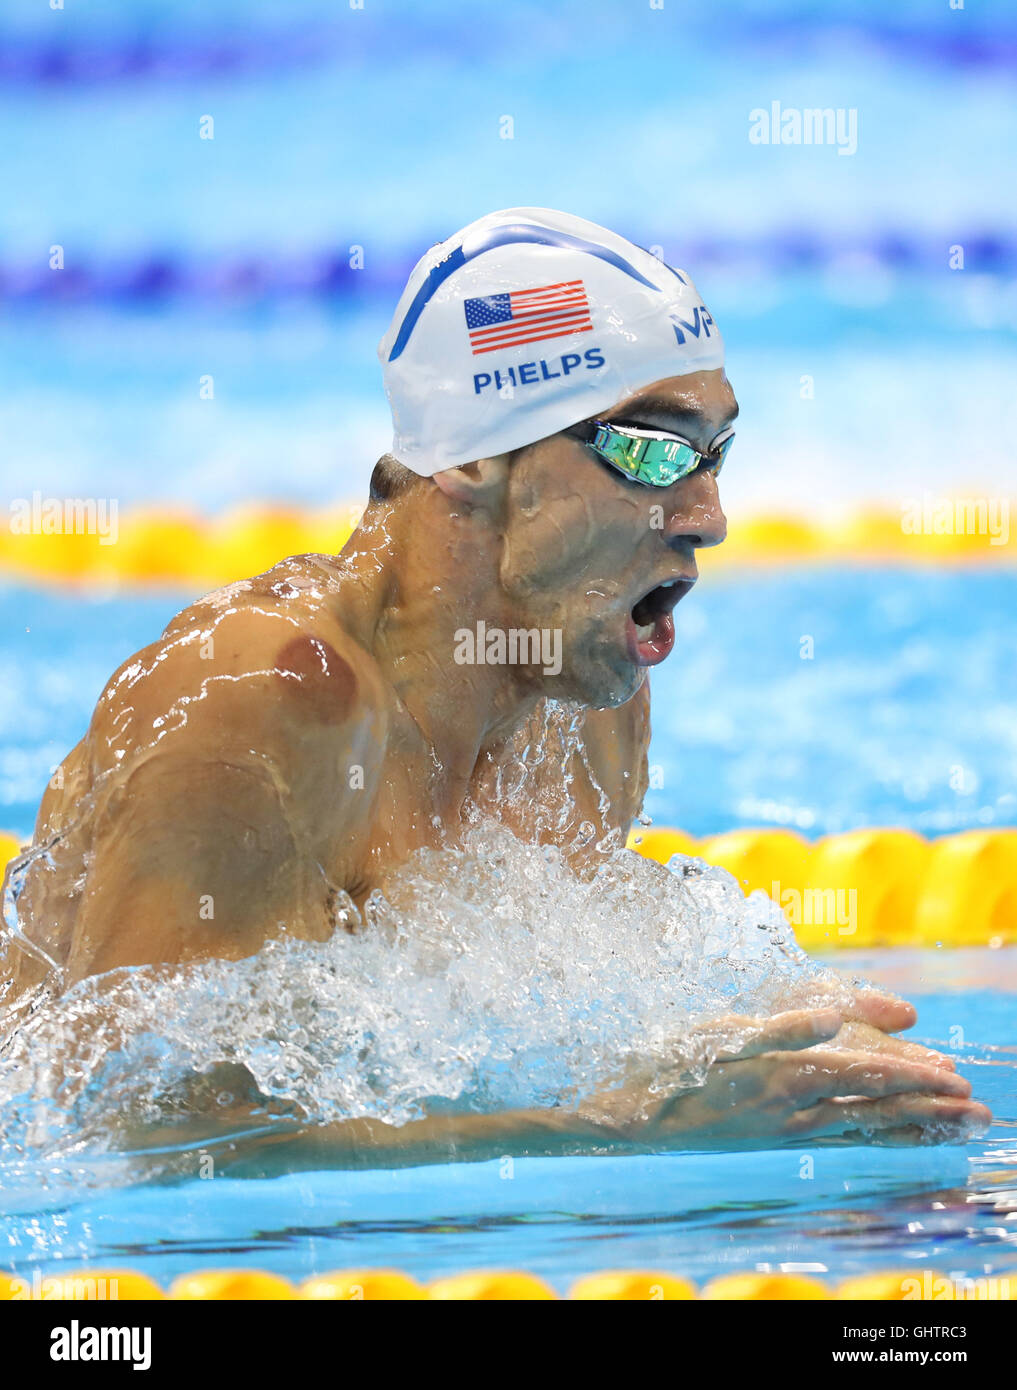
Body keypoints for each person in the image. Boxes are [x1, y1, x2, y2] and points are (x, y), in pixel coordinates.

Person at [0, 209, 989, 1159]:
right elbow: (152, 1133)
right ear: (473, 459)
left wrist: (763, 1074)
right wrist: (625, 1132)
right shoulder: (267, 702)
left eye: (718, 454)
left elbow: (525, 1049)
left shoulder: (583, 705)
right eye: (653, 450)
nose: (708, 515)